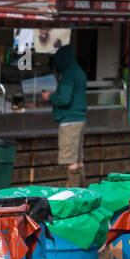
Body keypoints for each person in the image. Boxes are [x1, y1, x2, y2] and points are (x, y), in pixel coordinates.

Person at [41, 42, 88, 187]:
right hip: (80, 119)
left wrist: (49, 96)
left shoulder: (68, 73)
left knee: (71, 161)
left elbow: (64, 98)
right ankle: (84, 194)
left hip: (69, 121)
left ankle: (75, 195)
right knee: (79, 160)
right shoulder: (79, 71)